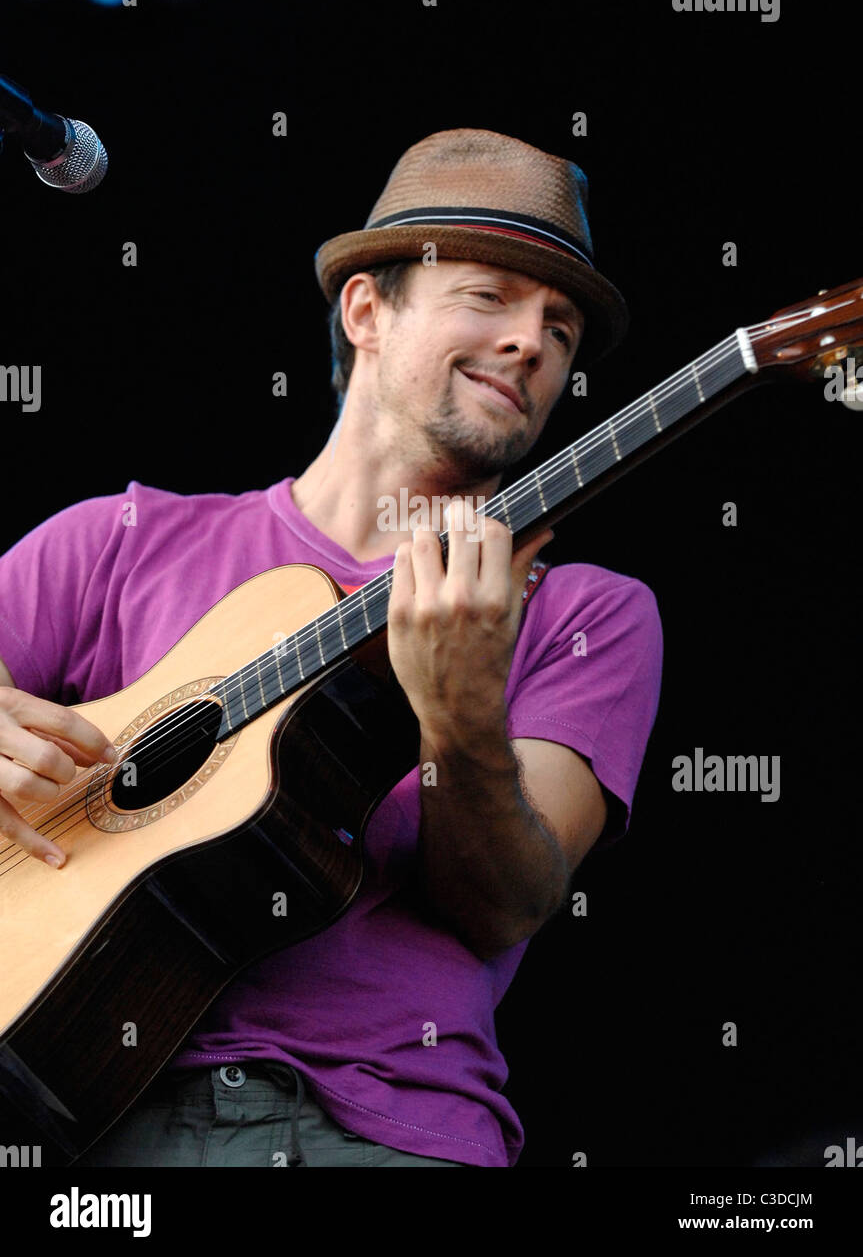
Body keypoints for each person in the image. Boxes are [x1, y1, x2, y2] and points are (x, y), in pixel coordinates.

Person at [0, 128, 663, 1167]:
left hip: (381, 1128)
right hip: (71, 1105)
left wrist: (456, 713)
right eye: (488, 296)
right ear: (365, 307)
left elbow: (503, 906)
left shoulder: (583, 610)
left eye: (562, 330)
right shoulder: (116, 539)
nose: (533, 343)